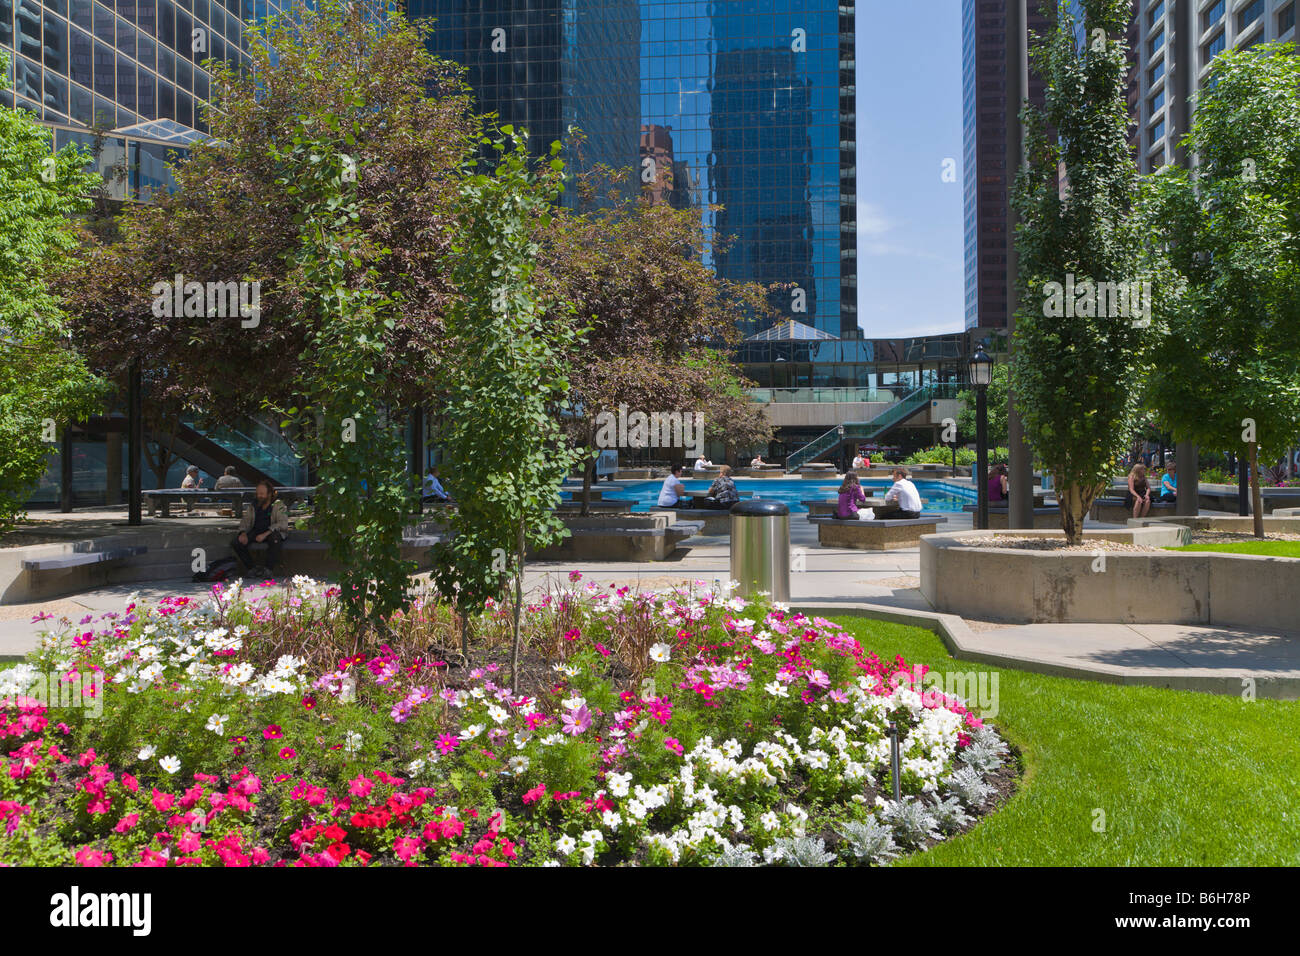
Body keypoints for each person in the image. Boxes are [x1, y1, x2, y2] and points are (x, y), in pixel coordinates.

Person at [231, 479, 289, 579]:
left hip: (271, 532)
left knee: (275, 539)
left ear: (269, 494)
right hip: (256, 531)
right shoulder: (253, 505)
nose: (259, 496)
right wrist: (243, 533)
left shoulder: (279, 505)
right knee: (236, 542)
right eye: (258, 493)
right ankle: (252, 569)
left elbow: (283, 523)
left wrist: (265, 534)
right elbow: (246, 520)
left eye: (262, 494)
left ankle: (268, 570)